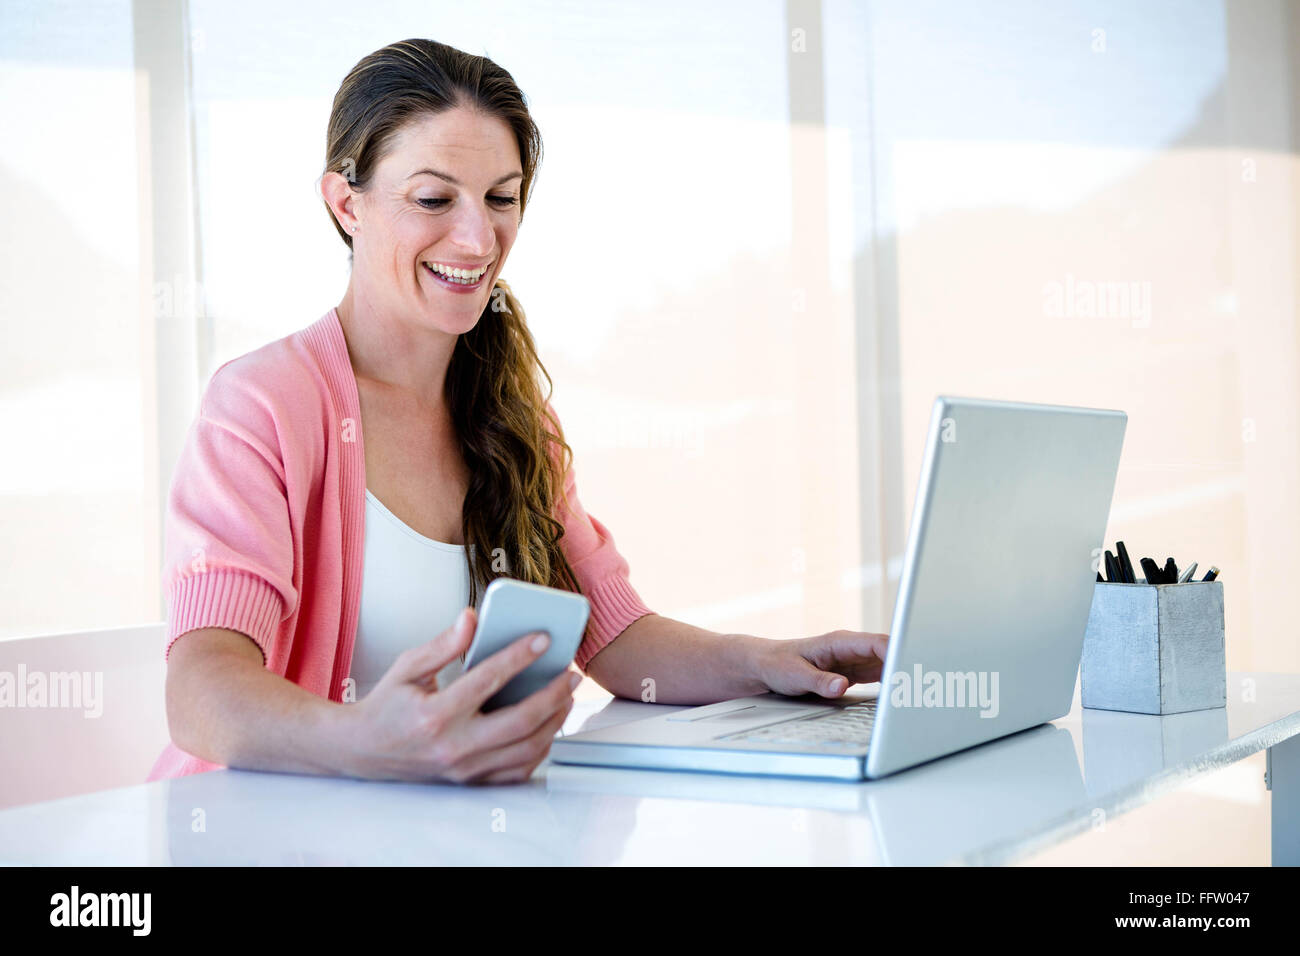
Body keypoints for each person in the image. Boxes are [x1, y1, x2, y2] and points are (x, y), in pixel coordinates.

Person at [152, 38, 889, 787]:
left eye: (501, 199)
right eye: (434, 199)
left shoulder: (510, 409)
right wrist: (366, 740)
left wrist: (768, 662)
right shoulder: (262, 405)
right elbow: (201, 689)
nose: (478, 239)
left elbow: (617, 637)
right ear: (347, 204)